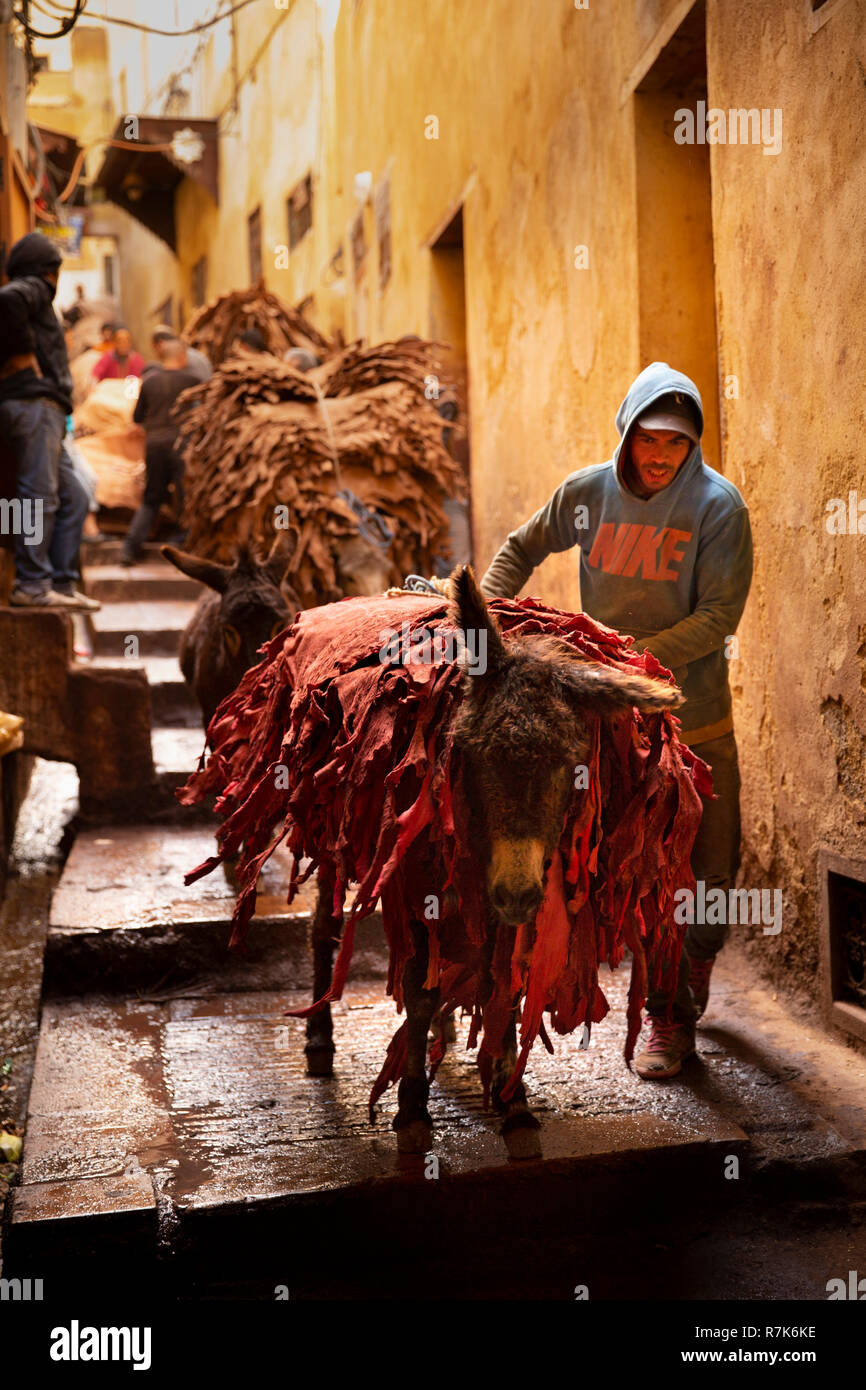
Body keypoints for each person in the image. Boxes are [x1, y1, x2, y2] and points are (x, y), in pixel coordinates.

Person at [480, 362, 753, 1079]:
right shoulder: (587, 494)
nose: (661, 455)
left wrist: (626, 661)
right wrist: (480, 627)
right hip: (610, 726)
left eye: (677, 443)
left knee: (706, 875)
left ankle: (690, 978)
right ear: (626, 433)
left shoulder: (717, 507)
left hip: (693, 722)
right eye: (648, 439)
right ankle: (666, 1015)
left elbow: (719, 617)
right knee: (637, 872)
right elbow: (518, 551)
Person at [0, 231, 99, 610]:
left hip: (45, 410)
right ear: (50, 271)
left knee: (75, 496)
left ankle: (60, 582)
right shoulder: (34, 287)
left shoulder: (34, 291)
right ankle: (31, 583)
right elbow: (7, 303)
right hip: (35, 405)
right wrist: (26, 357)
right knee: (37, 497)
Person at [121, 336, 200, 566]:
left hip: (154, 445)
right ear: (183, 357)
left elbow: (137, 418)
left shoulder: (150, 382)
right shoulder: (192, 381)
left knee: (151, 498)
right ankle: (188, 547)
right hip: (182, 445)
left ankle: (129, 549)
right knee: (186, 498)